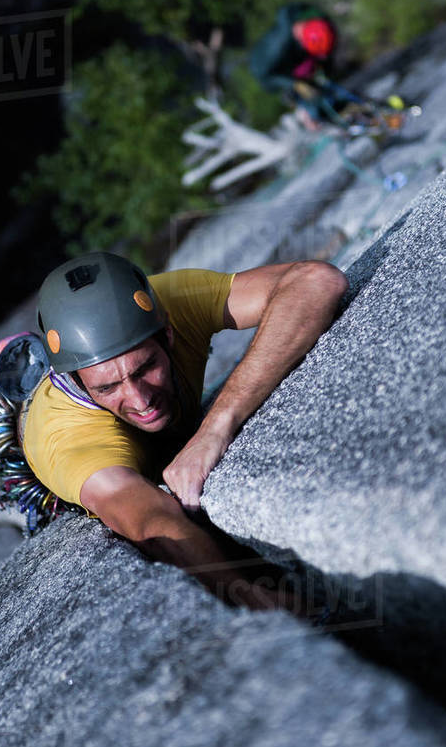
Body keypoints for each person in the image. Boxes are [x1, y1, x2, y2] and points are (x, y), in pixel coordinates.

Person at [20, 252, 347, 612]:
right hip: (52, 444)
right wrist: (242, 593)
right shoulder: (63, 437)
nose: (139, 398)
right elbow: (149, 519)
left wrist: (214, 429)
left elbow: (317, 282)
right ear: (76, 381)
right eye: (107, 387)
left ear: (168, 333)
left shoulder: (170, 301)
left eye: (145, 367)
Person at [249, 2, 356, 131]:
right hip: (271, 72)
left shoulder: (316, 23)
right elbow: (265, 78)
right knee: (308, 94)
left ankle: (343, 106)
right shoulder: (277, 50)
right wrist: (292, 83)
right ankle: (312, 116)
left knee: (324, 79)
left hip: (296, 53)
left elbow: (289, 9)